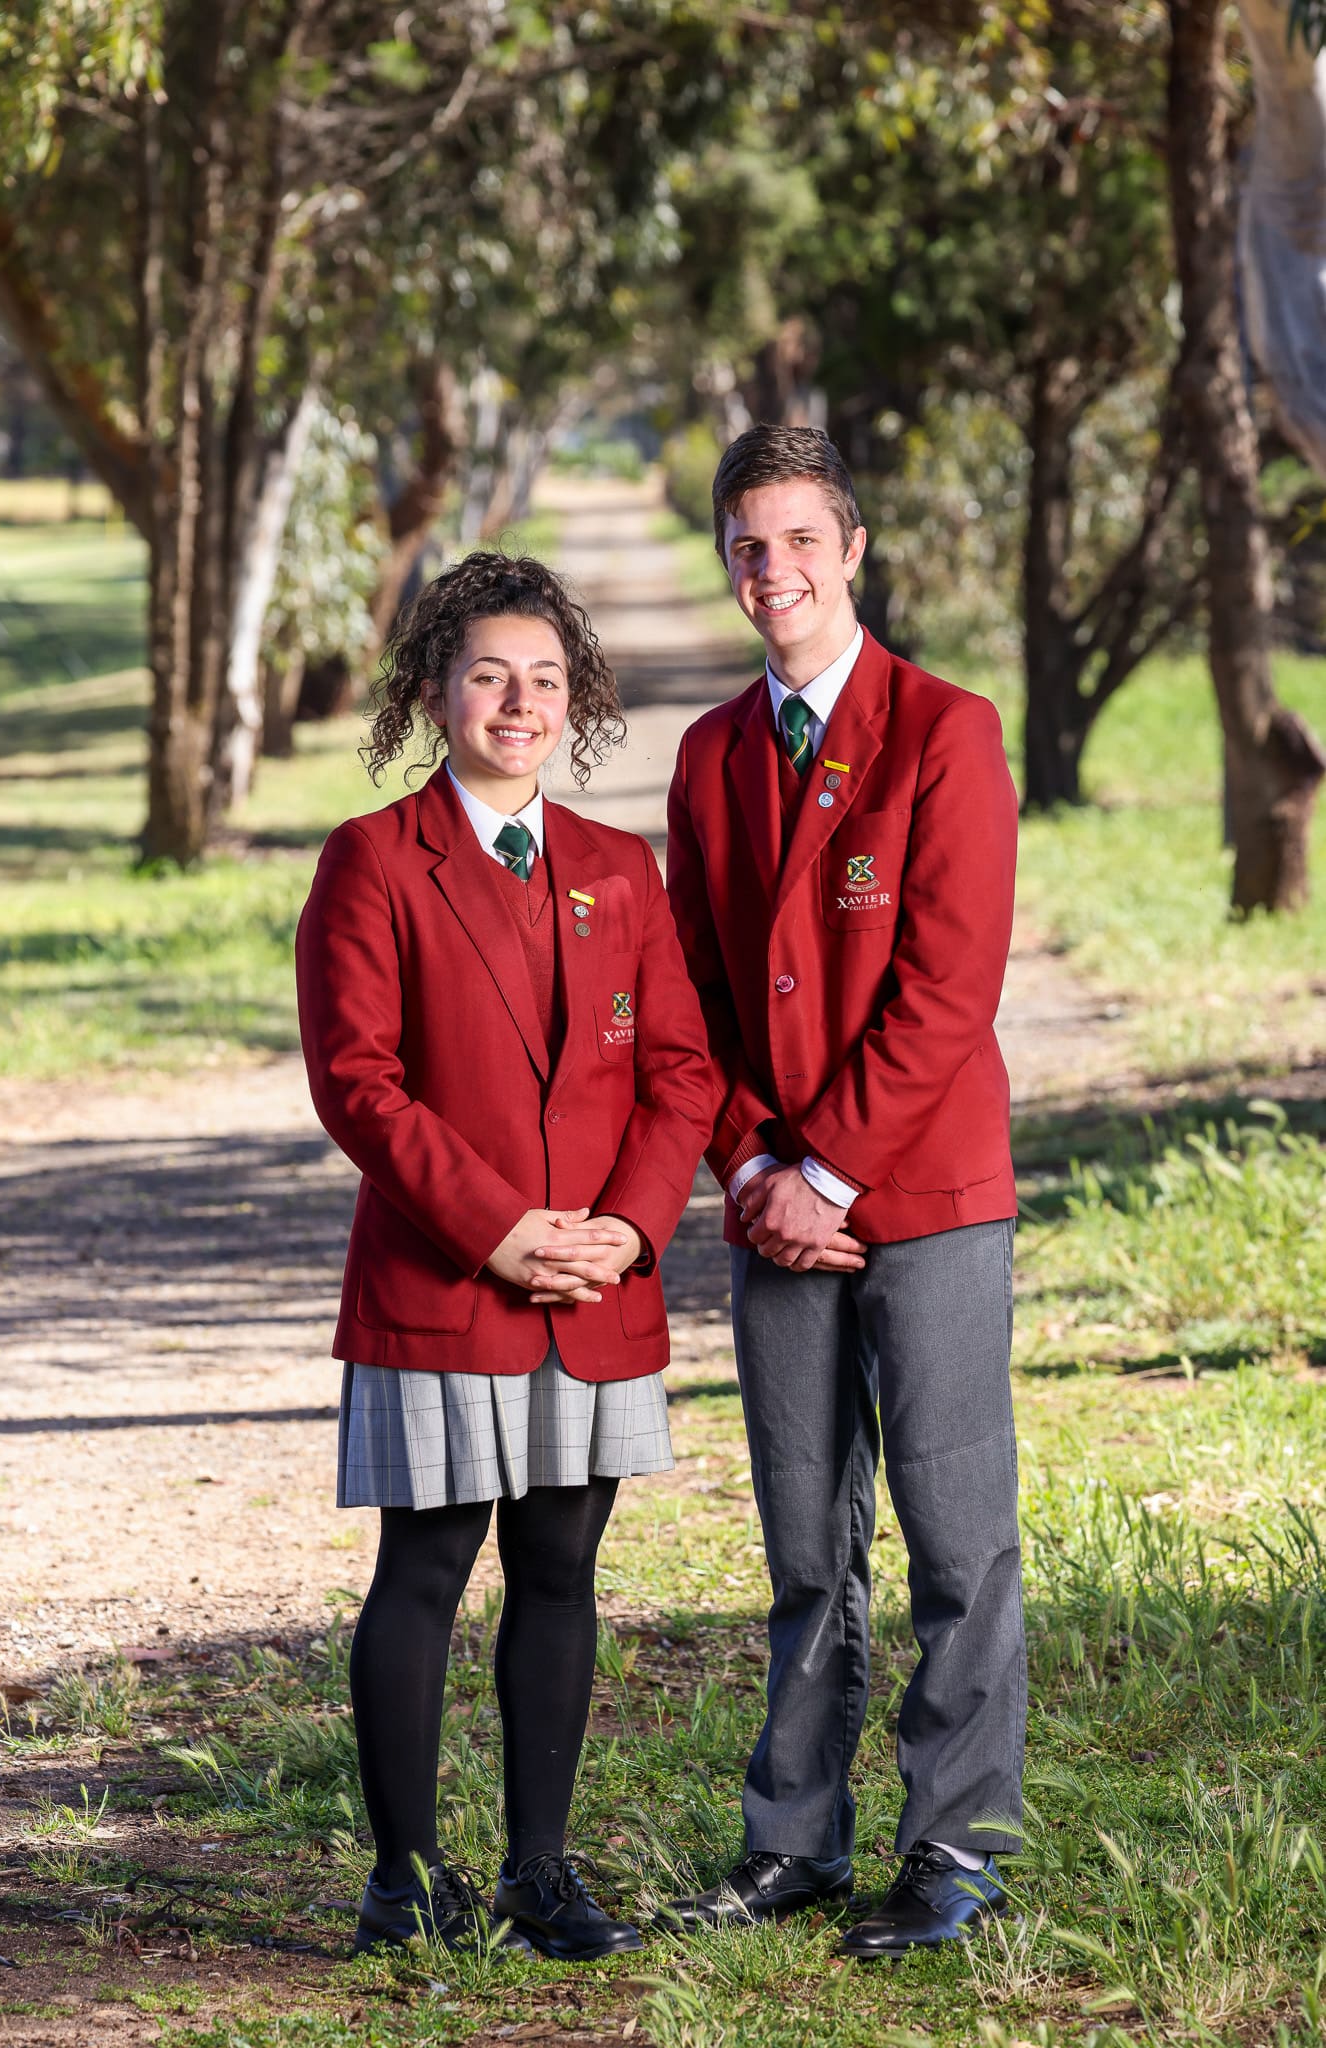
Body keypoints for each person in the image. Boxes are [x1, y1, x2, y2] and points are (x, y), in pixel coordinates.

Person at [295, 552, 713, 1962]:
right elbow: (357, 1082)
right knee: (423, 1571)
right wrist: (498, 1229)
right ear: (433, 694)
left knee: (560, 1568)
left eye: (544, 679)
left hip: (592, 1286)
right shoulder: (371, 859)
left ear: (575, 700)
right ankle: (403, 1878)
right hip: (443, 1279)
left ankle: (539, 1872)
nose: (516, 703)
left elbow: (679, 1073)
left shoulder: (618, 866)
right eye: (487, 676)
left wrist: (628, 1227)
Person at [663, 425, 1025, 1957]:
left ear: (851, 550)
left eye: (800, 541)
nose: (774, 573)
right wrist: (749, 1162)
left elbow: (948, 987)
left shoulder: (945, 732)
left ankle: (953, 1850)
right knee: (806, 1545)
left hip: (925, 1195)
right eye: (748, 546)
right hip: (772, 1213)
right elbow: (691, 995)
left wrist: (826, 1166)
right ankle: (792, 1842)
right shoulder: (705, 757)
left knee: (955, 1539)